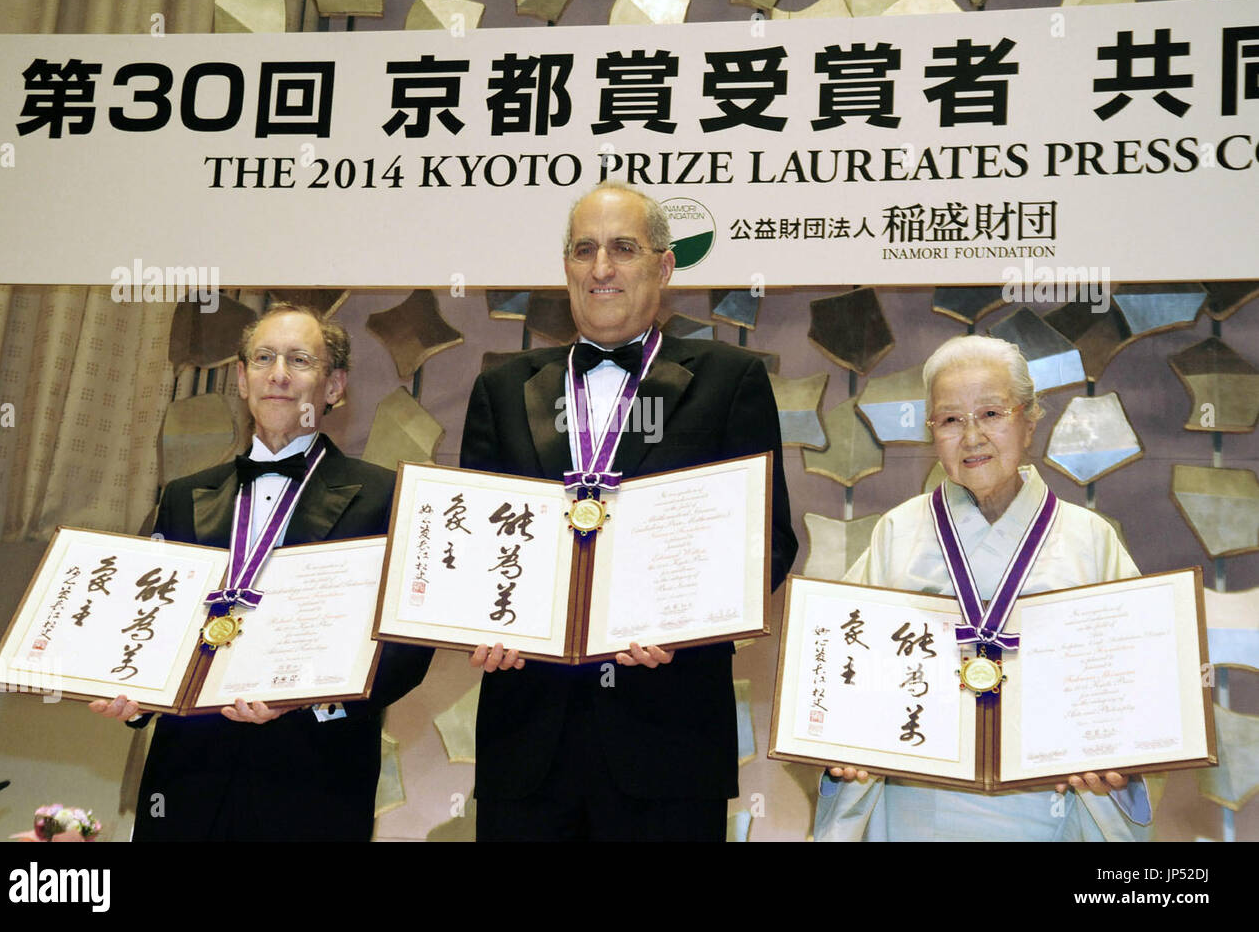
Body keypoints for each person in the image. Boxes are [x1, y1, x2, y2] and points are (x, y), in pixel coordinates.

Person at [460, 181, 798, 841]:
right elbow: (475, 544)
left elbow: (769, 541)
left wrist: (687, 621)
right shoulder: (502, 387)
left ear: (664, 265)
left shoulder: (730, 379)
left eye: (623, 248)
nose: (602, 268)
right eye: (584, 250)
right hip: (527, 737)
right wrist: (481, 615)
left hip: (668, 740)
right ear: (566, 268)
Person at [90, 303, 432, 841]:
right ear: (242, 379)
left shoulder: (385, 496)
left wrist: (312, 698)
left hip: (314, 780)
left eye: (300, 360)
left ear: (335, 386)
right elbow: (153, 624)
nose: (278, 374)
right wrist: (130, 691)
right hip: (187, 780)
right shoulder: (183, 497)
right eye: (264, 358)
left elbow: (408, 649)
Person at [813, 334, 1152, 841]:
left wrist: (1119, 758)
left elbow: (1139, 676)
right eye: (950, 420)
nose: (971, 437)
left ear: (1031, 418)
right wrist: (842, 747)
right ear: (932, 432)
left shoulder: (1088, 539)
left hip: (1051, 801)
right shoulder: (897, 533)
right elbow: (842, 670)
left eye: (991, 413)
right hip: (917, 801)